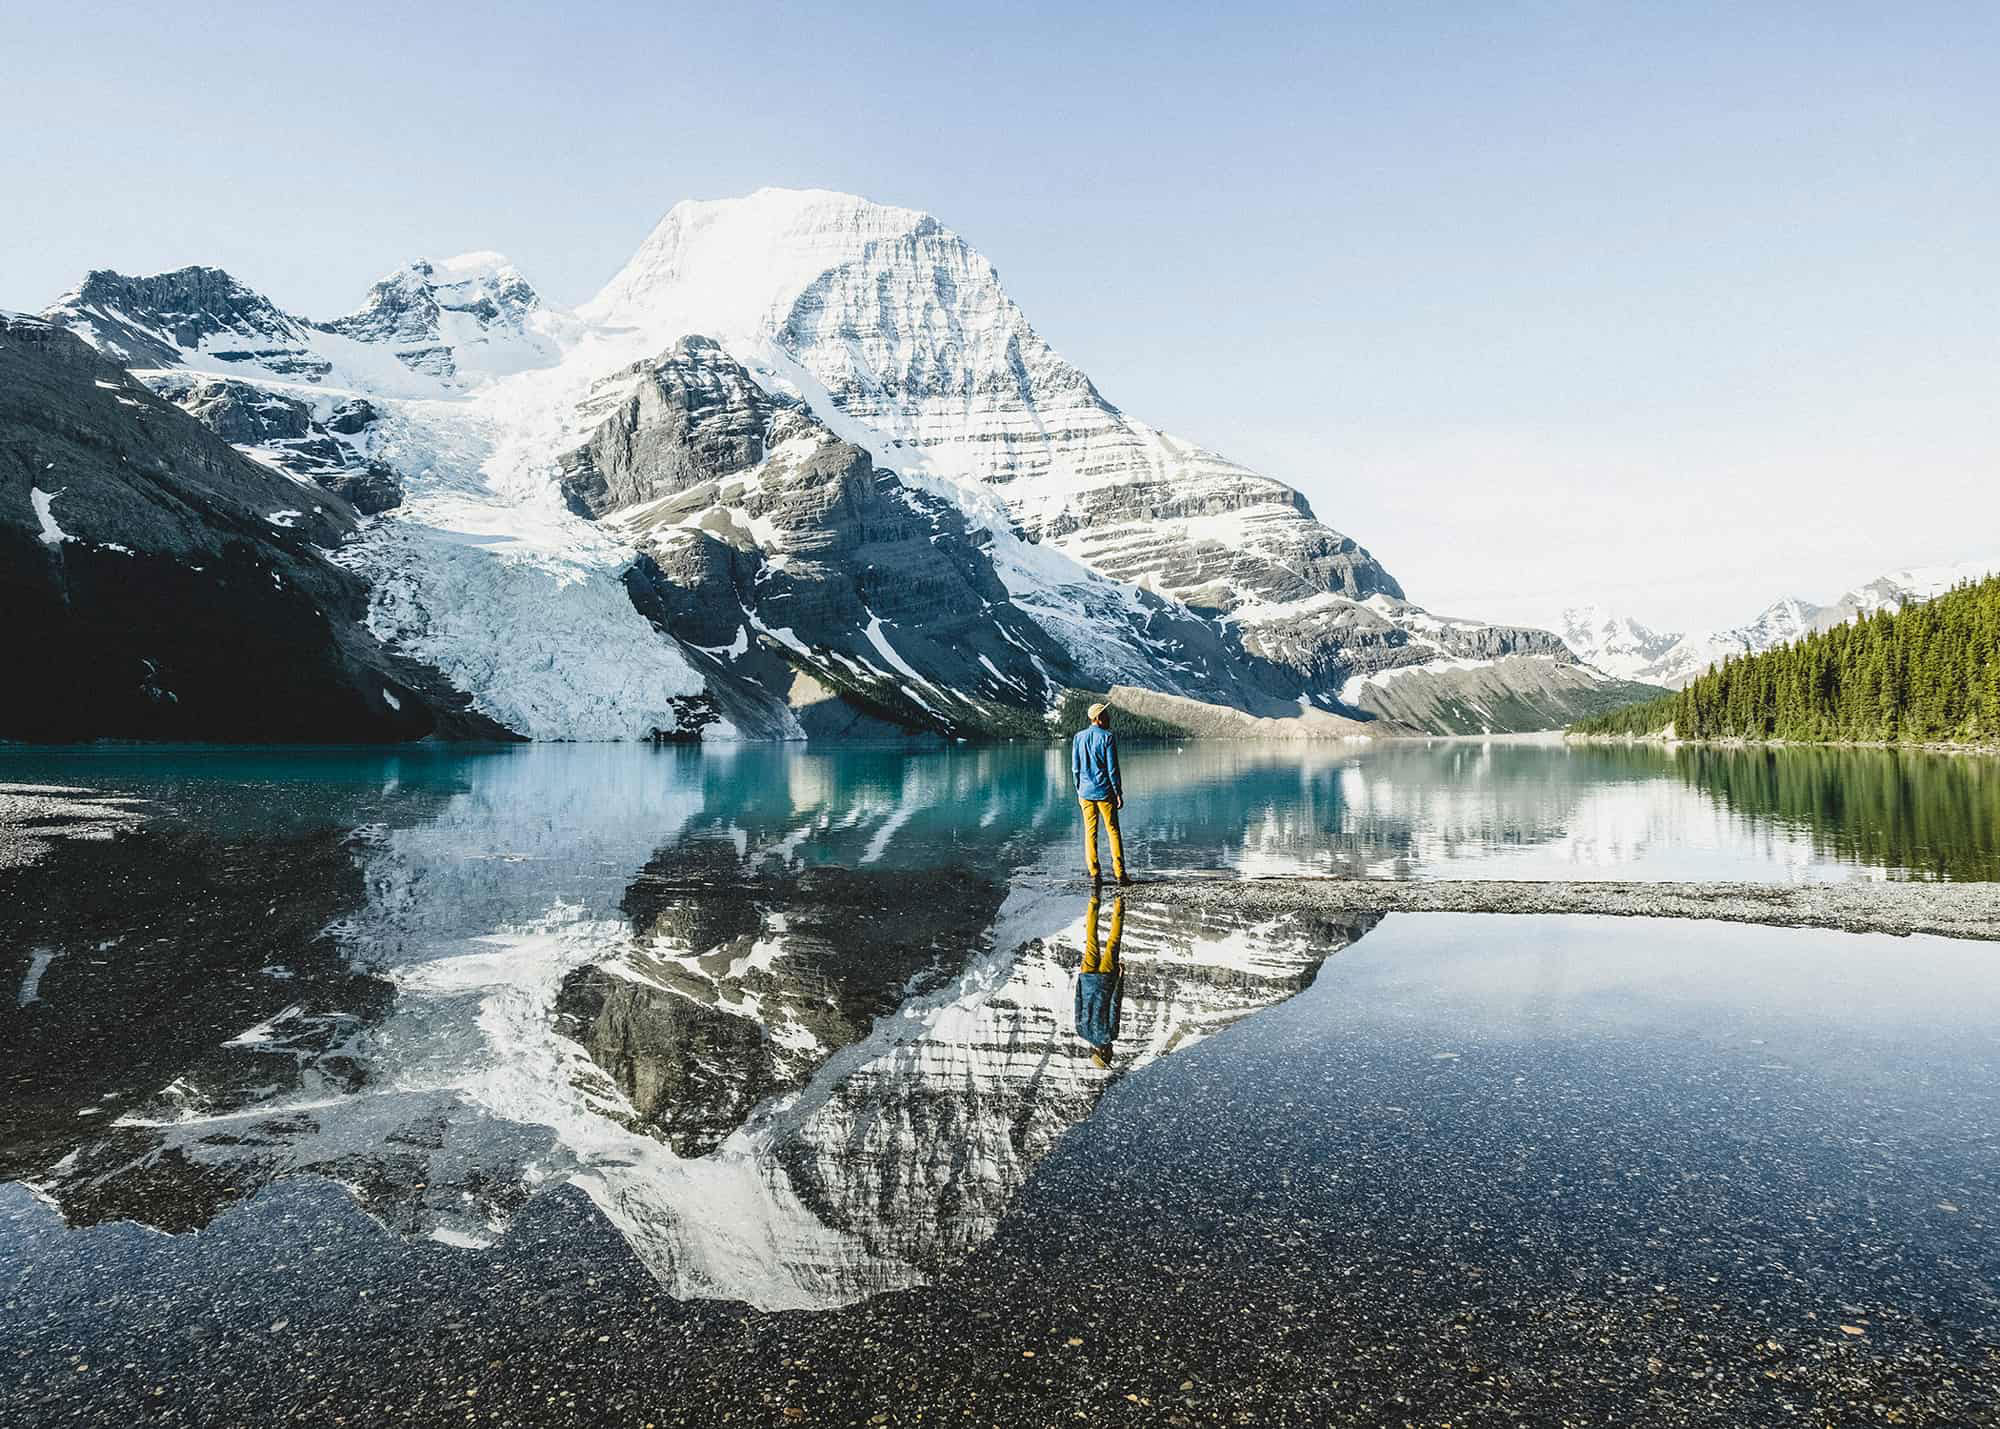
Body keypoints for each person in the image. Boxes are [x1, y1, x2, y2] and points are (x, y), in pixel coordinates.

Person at [1071, 700, 1129, 885]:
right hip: (1105, 792)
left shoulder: (1078, 737)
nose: (1109, 717)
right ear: (1098, 718)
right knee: (1113, 831)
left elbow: (1075, 768)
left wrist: (1078, 788)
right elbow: (1113, 769)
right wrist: (1118, 792)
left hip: (1085, 793)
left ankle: (1095, 874)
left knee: (1090, 833)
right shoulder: (1107, 737)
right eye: (1105, 714)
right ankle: (1120, 874)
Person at [1074, 893, 1125, 1069]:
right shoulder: (1081, 1031)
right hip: (1087, 978)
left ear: (1103, 1053)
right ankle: (1094, 899)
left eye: (1109, 1056)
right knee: (1091, 938)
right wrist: (1081, 978)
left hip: (1106, 980)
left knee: (1113, 941)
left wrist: (1121, 979)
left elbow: (1114, 1004)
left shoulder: (1110, 1034)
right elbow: (1078, 1001)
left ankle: (1119, 901)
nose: (1112, 1053)